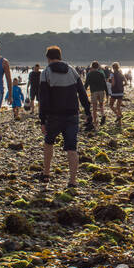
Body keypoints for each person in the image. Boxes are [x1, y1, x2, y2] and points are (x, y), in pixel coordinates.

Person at [38, 45, 92, 188]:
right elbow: (82, 93)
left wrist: (42, 120)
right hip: (72, 115)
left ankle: (46, 174)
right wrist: (88, 112)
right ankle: (73, 181)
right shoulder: (72, 70)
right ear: (60, 56)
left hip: (54, 115)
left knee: (49, 142)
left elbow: (43, 98)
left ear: (48, 58)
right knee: (71, 148)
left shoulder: (46, 72)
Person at [85, 61, 109, 126]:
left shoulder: (89, 74)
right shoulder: (100, 74)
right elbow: (104, 84)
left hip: (94, 91)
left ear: (92, 67)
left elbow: (86, 84)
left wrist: (84, 91)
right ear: (98, 67)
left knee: (94, 107)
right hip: (101, 91)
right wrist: (107, 93)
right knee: (101, 105)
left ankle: (95, 122)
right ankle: (103, 115)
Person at [108, 62, 126, 126]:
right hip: (121, 91)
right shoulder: (121, 74)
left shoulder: (112, 74)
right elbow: (126, 82)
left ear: (113, 68)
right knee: (118, 107)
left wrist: (109, 83)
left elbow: (113, 83)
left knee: (111, 105)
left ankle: (118, 115)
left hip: (115, 92)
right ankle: (120, 123)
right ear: (118, 67)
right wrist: (121, 86)